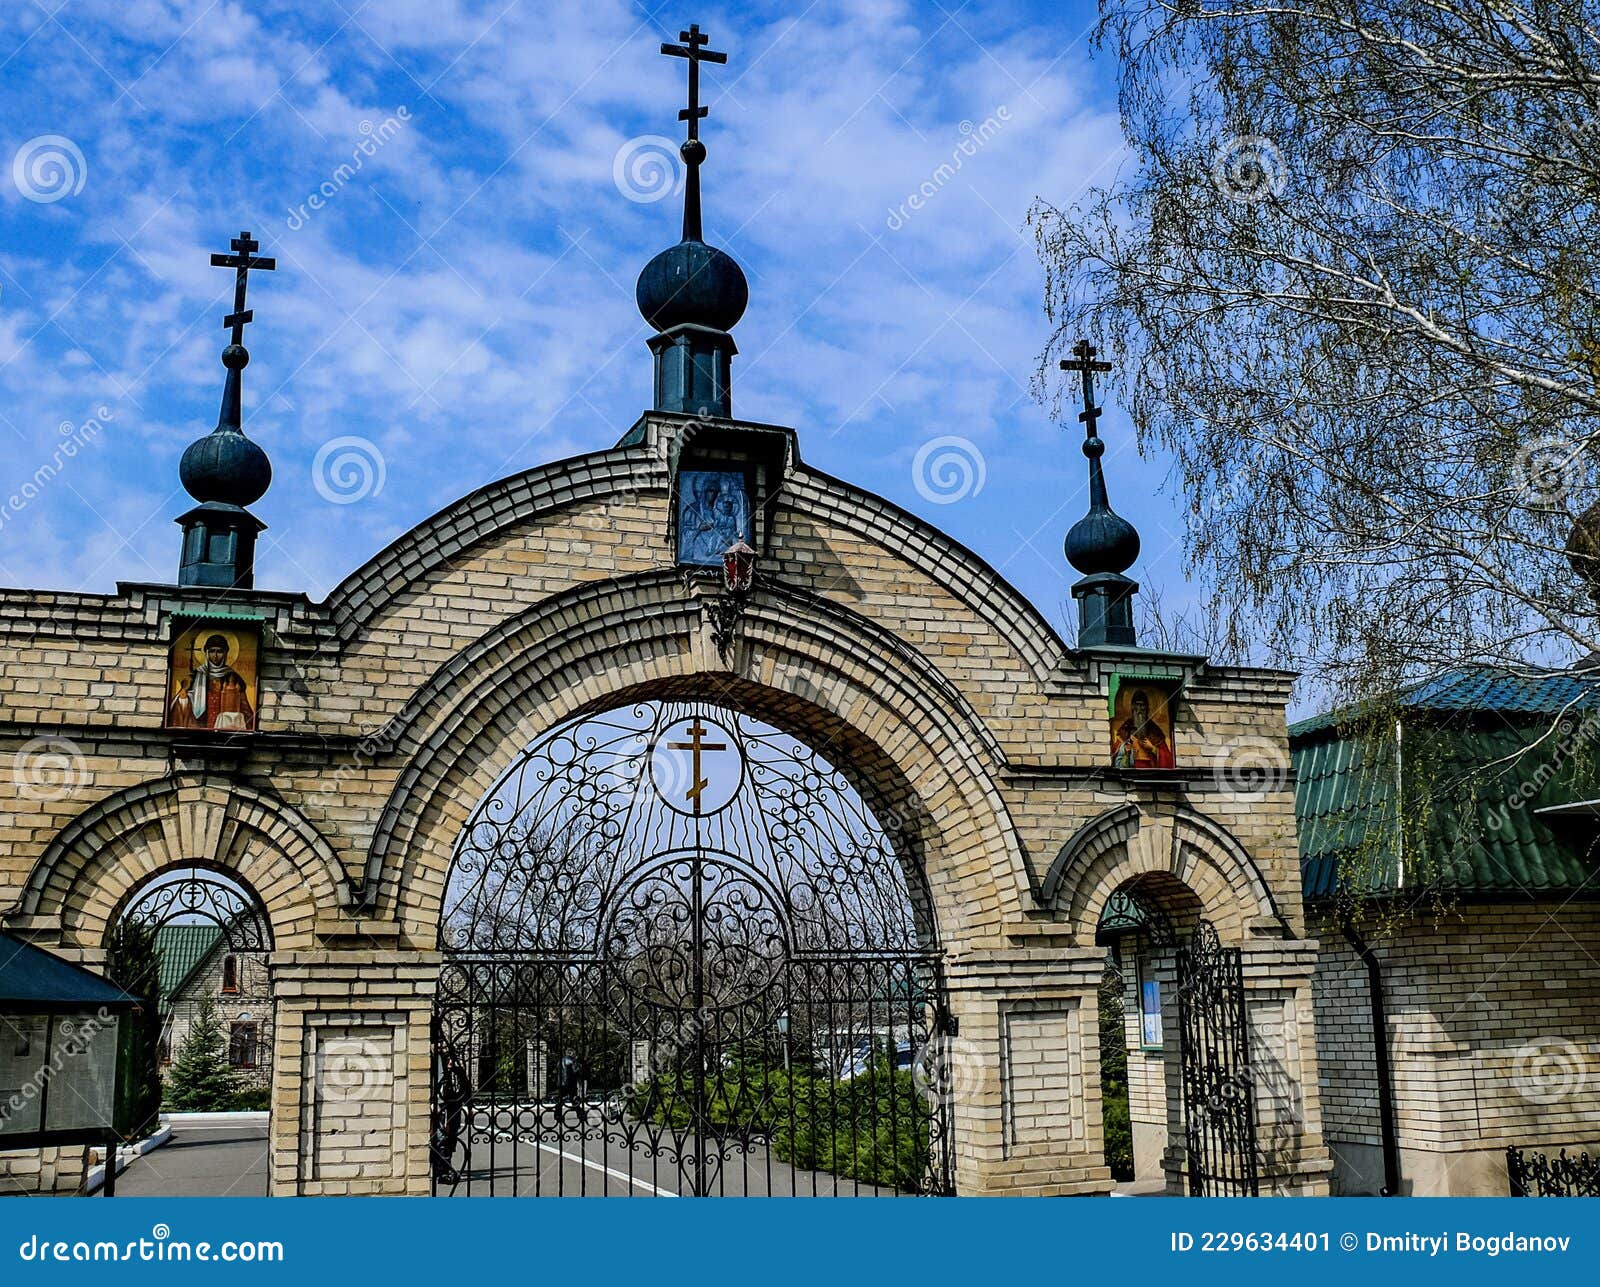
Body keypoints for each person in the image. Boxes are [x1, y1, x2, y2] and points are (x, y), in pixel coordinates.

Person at [168, 634, 254, 731]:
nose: (215, 656)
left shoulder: (234, 678)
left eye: (220, 651)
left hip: (224, 730)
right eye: (212, 651)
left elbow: (245, 709)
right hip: (199, 728)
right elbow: (180, 704)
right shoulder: (194, 676)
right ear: (207, 653)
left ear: (226, 653)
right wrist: (183, 698)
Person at [1111, 689, 1174, 769]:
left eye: (1142, 705)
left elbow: (1168, 760)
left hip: (1151, 772)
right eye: (1137, 705)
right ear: (1132, 707)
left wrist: (1153, 749)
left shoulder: (1154, 730)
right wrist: (1125, 749)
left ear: (1147, 708)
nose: (1139, 709)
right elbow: (1114, 755)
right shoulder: (1125, 728)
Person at [552, 1049, 585, 1125]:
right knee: (574, 1098)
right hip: (570, 1082)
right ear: (571, 1053)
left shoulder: (560, 1061)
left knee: (561, 1099)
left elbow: (556, 1072)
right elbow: (575, 1071)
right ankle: (580, 1114)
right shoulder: (572, 1060)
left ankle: (557, 1114)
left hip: (561, 1083)